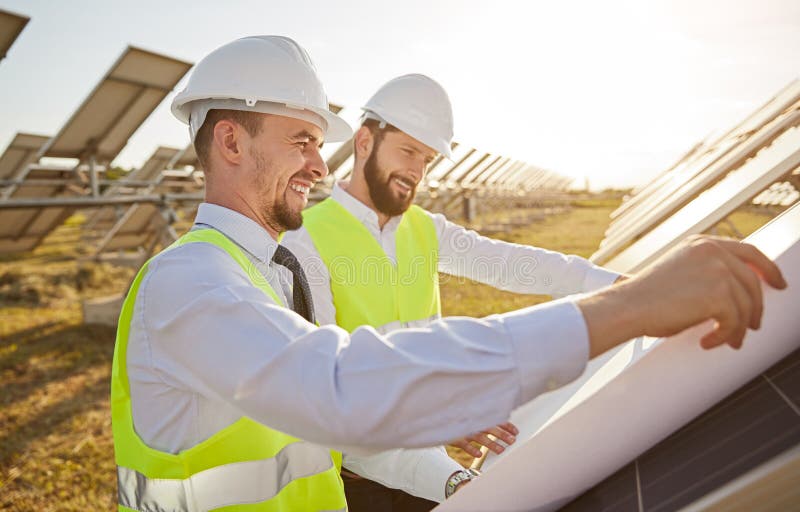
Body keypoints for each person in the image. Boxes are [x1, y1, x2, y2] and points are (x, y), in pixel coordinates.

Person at [110, 35, 787, 512]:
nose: (320, 164)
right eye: (302, 140)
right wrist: (627, 309)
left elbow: (336, 434)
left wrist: (452, 483)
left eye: (319, 142)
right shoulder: (190, 283)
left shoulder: (260, 275)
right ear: (230, 141)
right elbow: (341, 385)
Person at [282, 74, 625, 508]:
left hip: (431, 460)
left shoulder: (427, 230)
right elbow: (333, 397)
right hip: (359, 484)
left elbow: (513, 264)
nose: (416, 171)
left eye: (425, 159)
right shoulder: (304, 242)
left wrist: (620, 288)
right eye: (407, 151)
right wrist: (451, 476)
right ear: (364, 141)